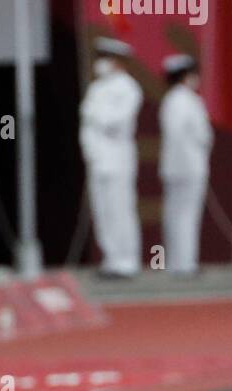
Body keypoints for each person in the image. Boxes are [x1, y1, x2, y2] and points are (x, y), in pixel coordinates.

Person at [79, 37, 142, 278]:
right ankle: (111, 258)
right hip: (97, 158)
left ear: (118, 62)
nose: (101, 63)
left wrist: (97, 114)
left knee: (120, 209)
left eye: (106, 58)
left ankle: (127, 260)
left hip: (118, 156)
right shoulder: (97, 88)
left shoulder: (128, 87)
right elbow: (87, 122)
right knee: (102, 211)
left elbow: (115, 122)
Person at [158, 54, 212, 276]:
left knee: (175, 214)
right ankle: (186, 263)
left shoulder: (171, 100)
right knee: (187, 214)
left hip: (175, 165)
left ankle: (176, 262)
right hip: (189, 165)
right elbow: (195, 134)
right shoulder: (187, 100)